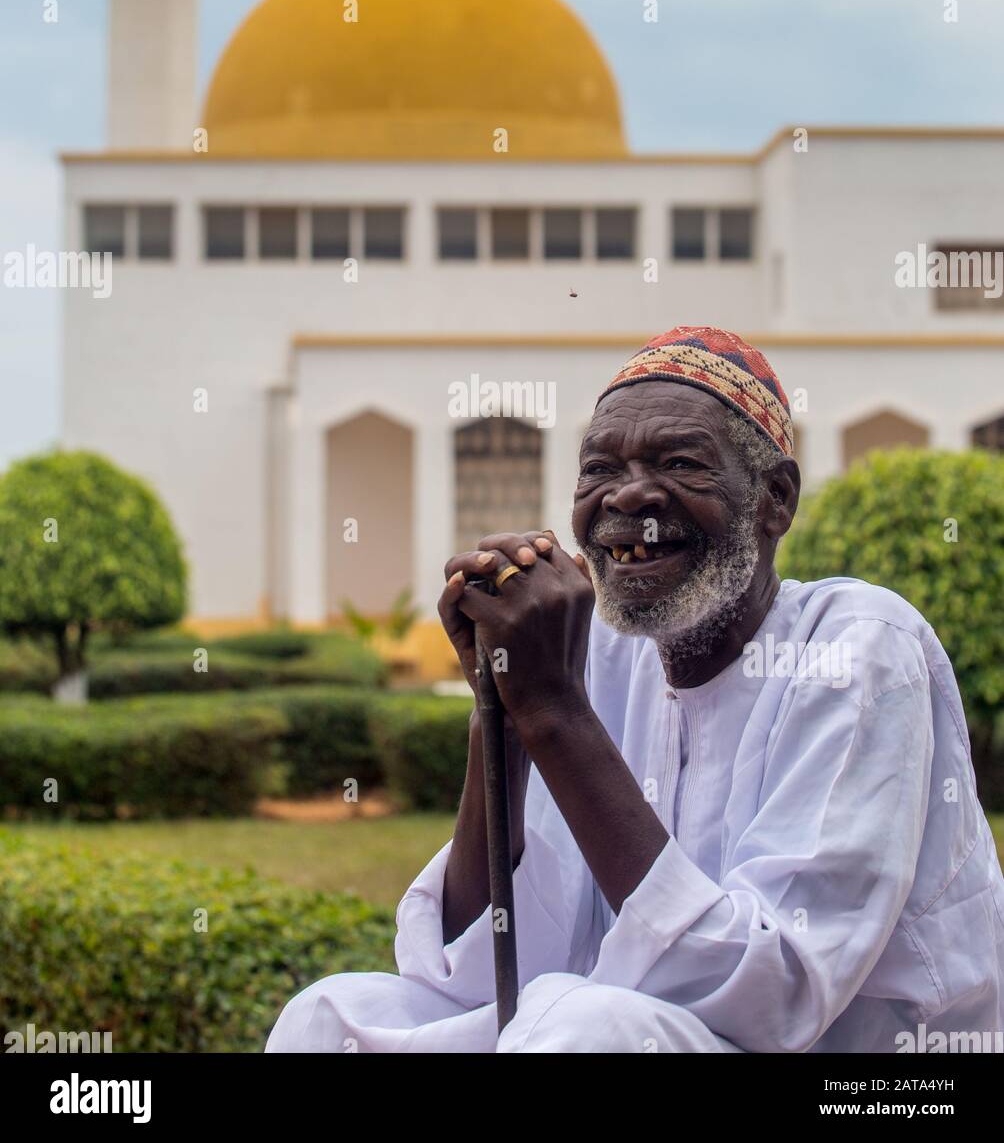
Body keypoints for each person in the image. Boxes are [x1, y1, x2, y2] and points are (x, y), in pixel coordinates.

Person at [267, 327, 1004, 1053]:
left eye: (679, 463)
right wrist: (505, 715)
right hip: (633, 1034)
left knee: (588, 1028)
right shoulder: (600, 656)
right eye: (599, 470)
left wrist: (556, 711)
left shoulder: (857, 648)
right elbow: (478, 967)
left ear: (774, 500)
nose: (630, 498)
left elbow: (774, 996)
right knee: (330, 1016)